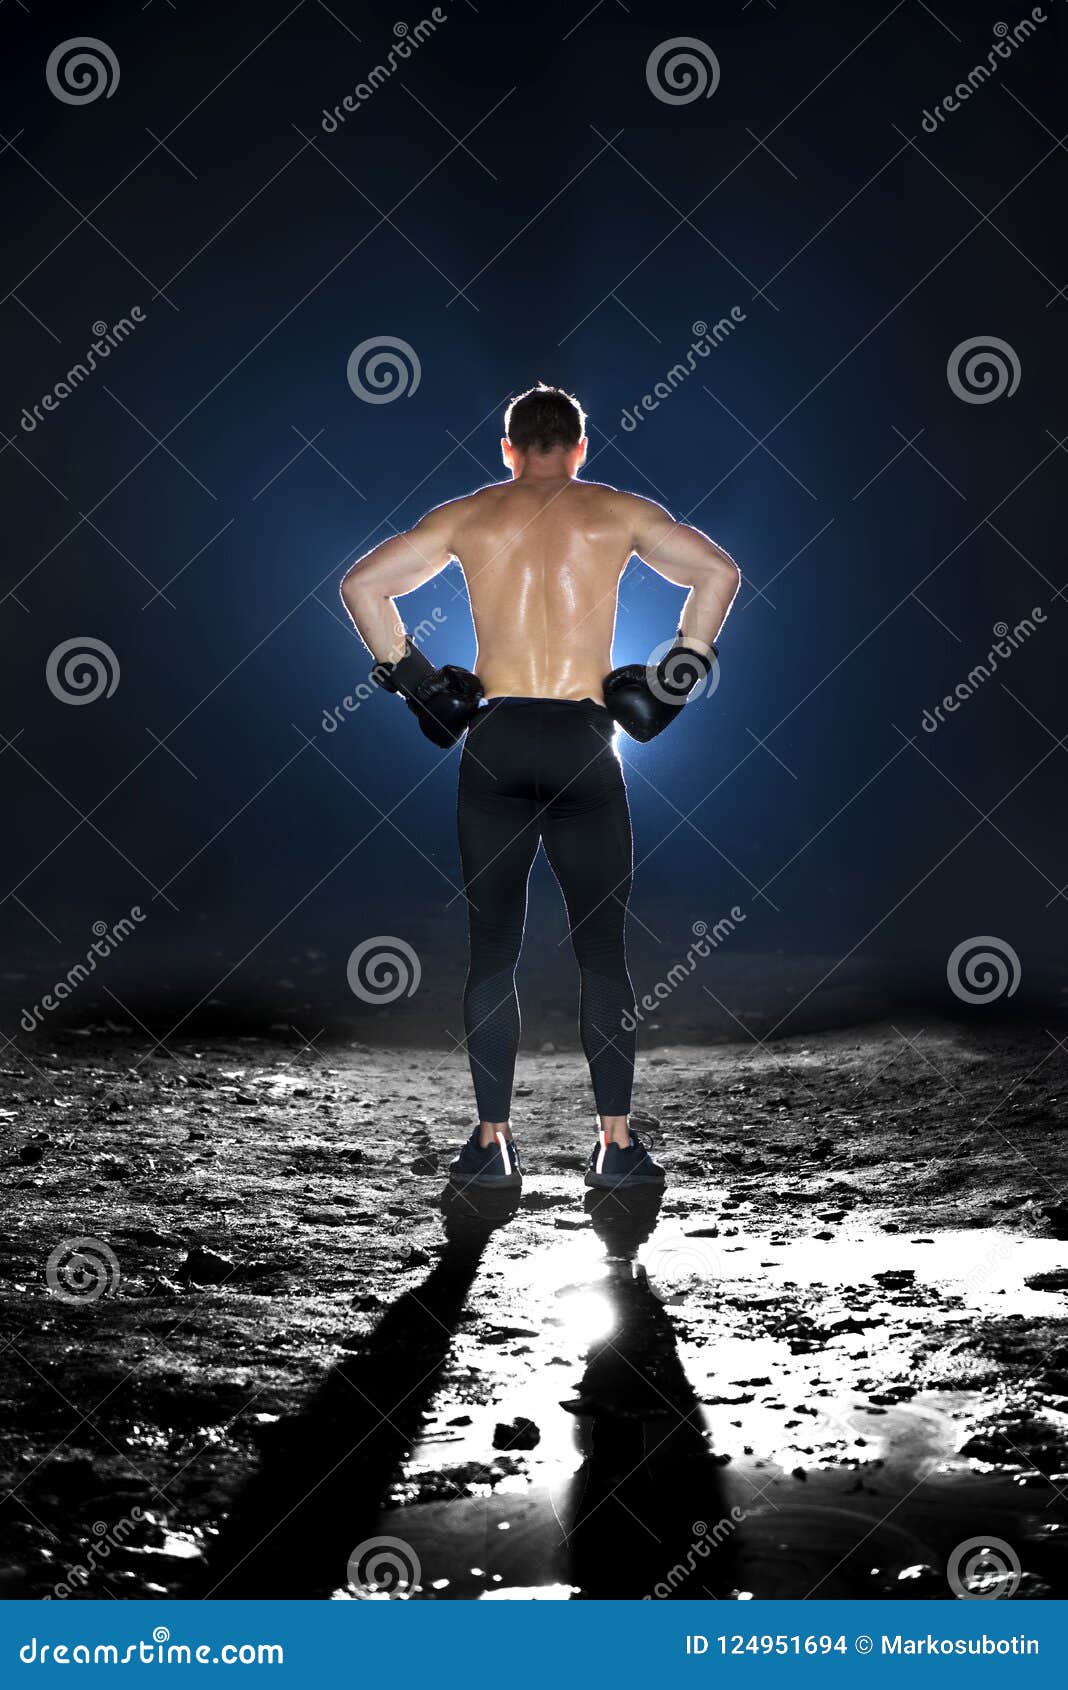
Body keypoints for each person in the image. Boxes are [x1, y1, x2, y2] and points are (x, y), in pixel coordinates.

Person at [340, 384, 739, 1191]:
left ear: (508, 449)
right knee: (603, 955)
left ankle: (491, 1148)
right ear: (581, 449)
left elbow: (361, 588)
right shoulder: (617, 511)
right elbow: (719, 572)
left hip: (497, 742)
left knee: (492, 949)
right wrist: (673, 676)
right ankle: (616, 1150)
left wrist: (419, 683)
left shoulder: (468, 513)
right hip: (586, 743)